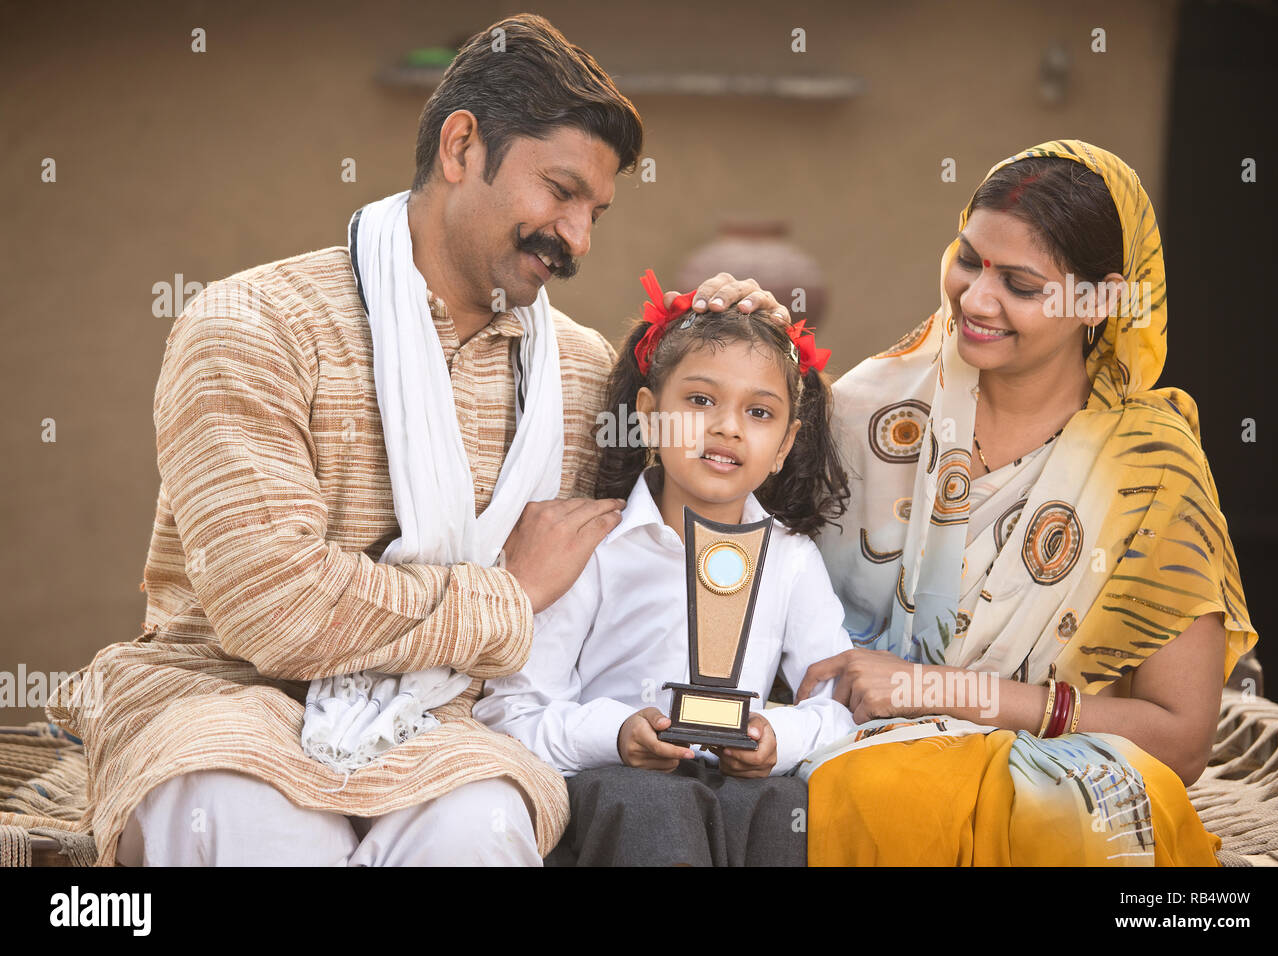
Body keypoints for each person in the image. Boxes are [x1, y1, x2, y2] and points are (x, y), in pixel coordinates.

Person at [46, 14, 781, 867]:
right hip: (224, 706)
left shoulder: (582, 376)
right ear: (461, 147)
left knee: (478, 830)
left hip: (454, 728)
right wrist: (509, 593)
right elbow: (276, 610)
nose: (577, 238)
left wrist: (735, 343)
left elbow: (723, 501)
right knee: (248, 823)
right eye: (560, 191)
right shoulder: (254, 327)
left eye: (596, 212)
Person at [793, 140, 1259, 865]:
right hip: (847, 750)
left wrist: (939, 692)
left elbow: (1182, 739)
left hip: (1051, 775)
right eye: (970, 259)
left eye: (1020, 283)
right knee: (876, 791)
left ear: (1100, 300)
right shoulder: (867, 414)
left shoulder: (1146, 469)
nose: (976, 298)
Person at [474, 270, 857, 866]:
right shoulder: (593, 546)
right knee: (654, 805)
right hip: (619, 787)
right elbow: (513, 711)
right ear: (650, 415)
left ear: (785, 445)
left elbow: (835, 704)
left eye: (759, 413)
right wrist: (616, 735)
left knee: (784, 806)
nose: (728, 426)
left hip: (738, 788)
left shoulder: (790, 558)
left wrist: (778, 741)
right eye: (701, 401)